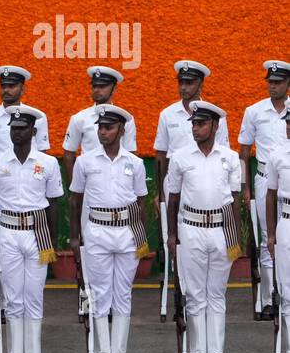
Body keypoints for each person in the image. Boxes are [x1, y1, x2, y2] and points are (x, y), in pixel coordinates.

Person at [0, 105, 63, 353]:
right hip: (8, 231)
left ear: (33, 131)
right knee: (12, 295)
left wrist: (51, 239)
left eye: (22, 128)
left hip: (37, 231)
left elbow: (53, 205)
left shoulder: (48, 163)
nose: (17, 133)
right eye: (13, 128)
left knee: (34, 294)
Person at [68, 105, 149, 353]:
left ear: (121, 130)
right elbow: (76, 199)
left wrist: (142, 237)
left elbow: (141, 201)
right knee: (100, 292)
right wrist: (75, 236)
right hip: (97, 229)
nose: (103, 132)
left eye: (109, 127)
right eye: (101, 127)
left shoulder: (134, 163)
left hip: (126, 230)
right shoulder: (85, 161)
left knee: (123, 293)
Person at [165, 101, 243, 353]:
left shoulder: (230, 158)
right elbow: (172, 198)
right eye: (194, 124)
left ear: (215, 126)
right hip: (191, 226)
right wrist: (172, 234)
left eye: (202, 124)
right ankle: (198, 352)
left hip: (222, 228)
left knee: (217, 292)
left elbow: (234, 200)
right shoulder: (181, 157)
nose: (196, 128)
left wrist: (237, 236)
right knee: (196, 292)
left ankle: (216, 351)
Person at [237, 60, 290, 320]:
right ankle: (270, 298)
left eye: (278, 82)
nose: (273, 86)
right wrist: (245, 187)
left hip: (289, 185)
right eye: (270, 82)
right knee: (267, 239)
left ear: (287, 84)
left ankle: (287, 293)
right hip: (263, 180)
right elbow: (244, 152)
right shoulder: (254, 111)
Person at [0, 65, 50, 208]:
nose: (6, 90)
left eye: (12, 86)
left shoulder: (38, 117)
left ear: (23, 89)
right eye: (3, 86)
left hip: (31, 182)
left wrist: (43, 183)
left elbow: (42, 152)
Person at [154, 61, 228, 190]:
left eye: (189, 83)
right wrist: (159, 192)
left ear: (201, 84)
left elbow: (223, 153)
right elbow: (161, 154)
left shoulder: (215, 115)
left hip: (206, 181)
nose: (183, 87)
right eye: (181, 82)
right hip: (175, 181)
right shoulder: (167, 114)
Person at [61, 66, 138, 184]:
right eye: (94, 86)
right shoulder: (79, 118)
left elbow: (130, 155)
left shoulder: (126, 119)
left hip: (117, 182)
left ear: (114, 89)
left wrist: (129, 183)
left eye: (102, 86)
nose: (97, 90)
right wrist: (75, 189)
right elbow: (68, 155)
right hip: (89, 182)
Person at [262, 108, 290, 353]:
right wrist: (270, 233)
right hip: (287, 220)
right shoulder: (278, 155)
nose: (289, 126)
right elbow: (270, 195)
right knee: (287, 289)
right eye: (288, 122)